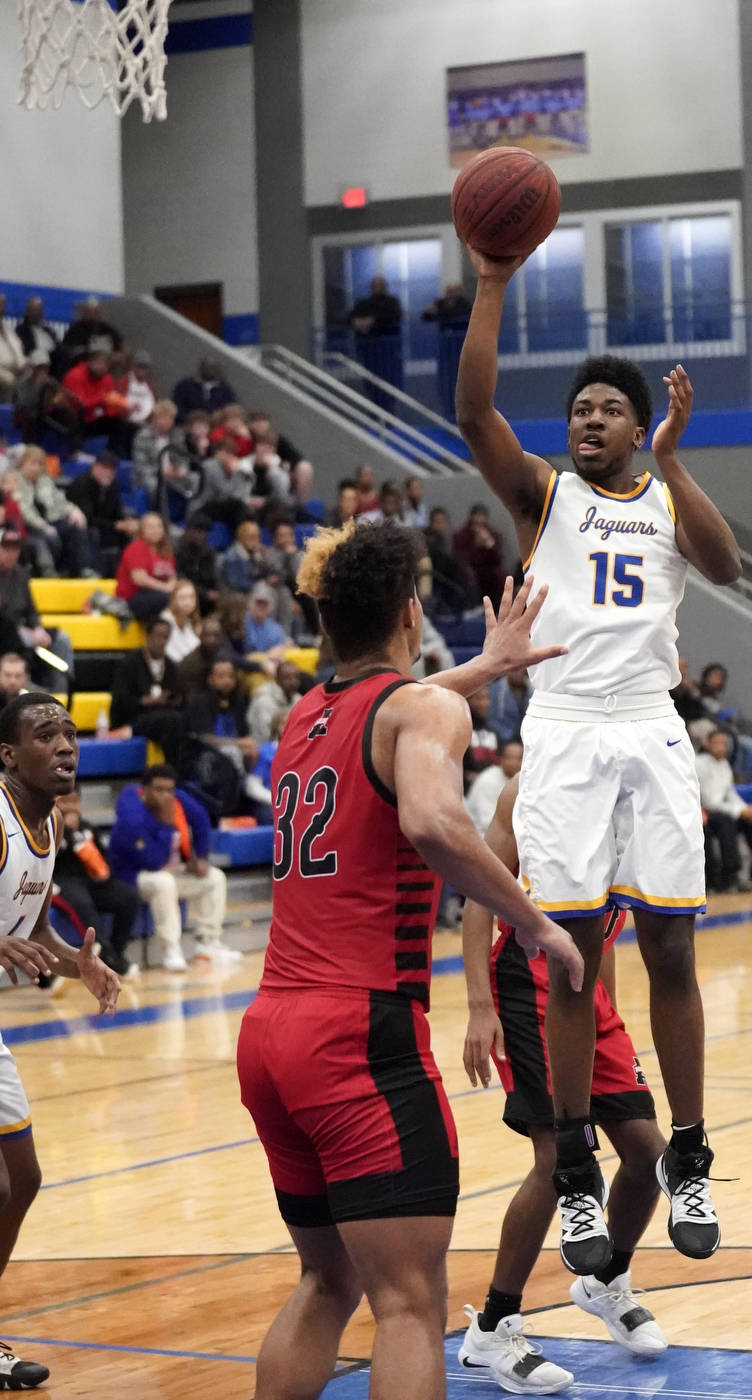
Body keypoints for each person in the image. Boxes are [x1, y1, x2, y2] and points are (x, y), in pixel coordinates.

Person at [236, 520, 581, 1400]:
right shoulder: (421, 711)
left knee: (327, 1280)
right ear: (409, 612)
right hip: (358, 1033)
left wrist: (486, 668)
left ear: (325, 625)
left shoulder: (306, 717)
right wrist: (534, 924)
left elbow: (405, 705)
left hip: (271, 1034)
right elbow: (431, 818)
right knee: (408, 1300)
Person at [457, 239, 743, 1272]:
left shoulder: (665, 496)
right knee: (571, 953)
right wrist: (490, 283)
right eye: (576, 405)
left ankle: (693, 1152)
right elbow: (473, 417)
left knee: (669, 947)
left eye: (606, 409)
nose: (586, 416)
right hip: (568, 723)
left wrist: (671, 459)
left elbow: (726, 567)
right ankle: (574, 1169)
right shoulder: (544, 498)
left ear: (637, 428)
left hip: (649, 723)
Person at [459, 776, 668, 1393]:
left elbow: (612, 927)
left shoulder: (638, 789)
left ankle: (606, 1281)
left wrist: (613, 1014)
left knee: (649, 1153)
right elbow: (477, 898)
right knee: (559, 1161)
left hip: (589, 990)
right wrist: (477, 1004)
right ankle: (492, 1329)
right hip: (525, 984)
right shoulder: (526, 790)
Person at [0, 691, 120, 1387]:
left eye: (70, 732)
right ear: (9, 755)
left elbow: (33, 931)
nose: (66, 743)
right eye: (46, 734)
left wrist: (78, 962)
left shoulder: (43, 825)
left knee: (25, 1180)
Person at [108, 764, 237, 970]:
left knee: (214, 878)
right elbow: (153, 862)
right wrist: (167, 825)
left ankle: (207, 943)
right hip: (133, 878)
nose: (166, 796)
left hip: (166, 871)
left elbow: (202, 817)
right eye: (159, 790)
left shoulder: (175, 800)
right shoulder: (131, 815)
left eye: (170, 790)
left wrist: (200, 857)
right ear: (145, 790)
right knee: (164, 882)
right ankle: (171, 948)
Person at [52, 788, 140, 979]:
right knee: (82, 903)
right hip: (60, 882)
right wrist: (66, 831)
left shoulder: (88, 828)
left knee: (128, 896)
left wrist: (103, 873)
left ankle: (116, 952)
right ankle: (106, 959)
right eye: (64, 802)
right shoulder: (45, 827)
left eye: (74, 802)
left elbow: (104, 859)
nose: (70, 807)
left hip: (89, 881)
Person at [696, 729, 752, 893]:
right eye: (717, 743)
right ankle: (730, 875)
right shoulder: (700, 764)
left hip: (723, 810)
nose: (721, 747)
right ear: (708, 744)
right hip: (704, 813)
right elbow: (710, 801)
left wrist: (747, 809)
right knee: (727, 822)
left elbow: (730, 793)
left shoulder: (724, 765)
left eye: (724, 743)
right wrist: (740, 811)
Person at [0, 529, 75, 689]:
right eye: (6, 548)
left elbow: (31, 609)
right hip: (6, 631)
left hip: (25, 629)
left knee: (62, 639)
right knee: (16, 635)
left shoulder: (21, 574)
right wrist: (25, 631)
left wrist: (38, 628)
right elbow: (3, 617)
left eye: (15, 549)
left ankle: (60, 695)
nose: (11, 553)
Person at [110, 616, 185, 767]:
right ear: (148, 636)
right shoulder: (129, 663)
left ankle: (171, 772)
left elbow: (178, 696)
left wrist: (171, 701)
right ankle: (175, 773)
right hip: (132, 718)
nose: (162, 641)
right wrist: (146, 701)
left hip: (161, 719)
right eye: (158, 636)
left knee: (176, 723)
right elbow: (119, 701)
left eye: (166, 637)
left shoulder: (171, 666)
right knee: (173, 722)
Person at [10, 445, 94, 577]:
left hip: (50, 521)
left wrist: (73, 510)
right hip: (28, 525)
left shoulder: (45, 481)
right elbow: (24, 511)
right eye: (33, 463)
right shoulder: (15, 480)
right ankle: (50, 573)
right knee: (51, 538)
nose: (36, 468)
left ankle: (82, 570)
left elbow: (60, 501)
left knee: (76, 526)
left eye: (40, 464)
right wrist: (45, 527)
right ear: (23, 463)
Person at [66, 449, 138, 572]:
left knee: (129, 534)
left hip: (105, 528)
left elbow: (117, 513)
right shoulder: (81, 484)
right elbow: (88, 518)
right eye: (104, 467)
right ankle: (91, 571)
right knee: (93, 533)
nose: (107, 472)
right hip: (82, 528)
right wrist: (115, 525)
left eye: (111, 469)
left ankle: (128, 570)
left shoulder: (113, 486)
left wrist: (126, 523)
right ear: (94, 467)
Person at [185, 658, 256, 776]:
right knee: (232, 753)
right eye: (221, 676)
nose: (227, 681)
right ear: (210, 680)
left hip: (236, 752)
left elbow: (245, 734)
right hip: (204, 756)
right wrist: (237, 743)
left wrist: (251, 747)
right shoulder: (200, 703)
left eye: (230, 676)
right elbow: (205, 738)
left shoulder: (239, 701)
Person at [177, 614, 266, 701]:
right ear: (200, 637)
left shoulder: (224, 656)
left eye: (216, 636)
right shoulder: (190, 664)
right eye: (207, 635)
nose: (211, 640)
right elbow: (191, 700)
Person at [347, 275, 404, 412]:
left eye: (380, 286)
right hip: (369, 351)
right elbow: (350, 318)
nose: (377, 288)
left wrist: (372, 321)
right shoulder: (363, 304)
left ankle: (388, 413)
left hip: (388, 352)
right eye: (374, 286)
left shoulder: (391, 302)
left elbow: (393, 316)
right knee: (370, 383)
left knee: (388, 383)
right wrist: (359, 323)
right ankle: (375, 412)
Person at [132, 400, 198, 515]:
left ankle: (191, 518)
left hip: (173, 473)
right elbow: (140, 466)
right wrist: (160, 471)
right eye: (163, 418)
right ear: (155, 419)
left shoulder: (177, 435)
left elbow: (183, 457)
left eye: (170, 418)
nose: (167, 422)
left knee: (195, 479)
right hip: (150, 475)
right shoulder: (142, 436)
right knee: (156, 485)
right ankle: (163, 520)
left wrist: (182, 468)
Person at [422, 281, 473, 418]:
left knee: (463, 378)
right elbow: (426, 317)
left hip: (460, 346)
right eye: (449, 291)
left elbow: (464, 317)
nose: (451, 293)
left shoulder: (464, 303)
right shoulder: (440, 303)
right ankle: (449, 413)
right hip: (445, 347)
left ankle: (465, 413)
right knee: (447, 381)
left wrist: (442, 315)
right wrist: (430, 310)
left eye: (454, 290)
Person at [188, 437, 261, 532]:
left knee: (247, 512)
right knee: (235, 506)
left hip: (220, 505)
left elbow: (241, 493)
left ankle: (249, 536)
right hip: (203, 506)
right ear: (218, 452)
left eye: (232, 454)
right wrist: (238, 472)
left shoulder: (229, 470)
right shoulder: (210, 465)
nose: (230, 457)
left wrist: (245, 476)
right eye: (227, 453)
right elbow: (225, 493)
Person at [116, 513, 178, 621]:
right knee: (164, 598)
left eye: (159, 526)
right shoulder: (136, 548)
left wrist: (173, 589)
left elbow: (172, 577)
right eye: (150, 527)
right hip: (132, 599)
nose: (155, 530)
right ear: (142, 530)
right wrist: (166, 589)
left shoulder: (166, 551)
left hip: (160, 595)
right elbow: (140, 579)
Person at [465, 737, 523, 836]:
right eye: (509, 758)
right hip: (478, 834)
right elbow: (487, 822)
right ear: (500, 759)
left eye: (519, 759)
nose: (514, 763)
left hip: (506, 833)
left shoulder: (522, 780)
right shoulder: (488, 780)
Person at [454, 504, 506, 611]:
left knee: (501, 576)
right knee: (469, 577)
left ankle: (498, 609)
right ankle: (475, 608)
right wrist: (476, 546)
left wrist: (489, 545)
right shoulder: (462, 536)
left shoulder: (493, 535)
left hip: (488, 570)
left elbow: (497, 559)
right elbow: (462, 558)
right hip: (471, 570)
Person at [425, 506, 476, 613]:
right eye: (436, 522)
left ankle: (469, 608)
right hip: (436, 575)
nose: (440, 525)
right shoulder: (430, 539)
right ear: (430, 523)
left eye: (442, 522)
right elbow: (440, 560)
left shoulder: (448, 539)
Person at [247, 660, 301, 746]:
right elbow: (265, 735)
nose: (293, 682)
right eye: (288, 678)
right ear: (277, 679)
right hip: (263, 748)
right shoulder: (264, 701)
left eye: (296, 677)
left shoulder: (298, 698)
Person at [174, 514, 219, 616]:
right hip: (183, 591)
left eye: (204, 532)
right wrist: (204, 593)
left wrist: (216, 591)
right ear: (188, 530)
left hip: (204, 594)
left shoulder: (208, 552)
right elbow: (179, 578)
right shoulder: (177, 550)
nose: (201, 535)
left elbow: (212, 577)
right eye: (197, 531)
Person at [222, 520, 272, 594]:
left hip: (255, 590)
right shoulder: (233, 556)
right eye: (251, 537)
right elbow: (236, 583)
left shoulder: (255, 552)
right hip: (237, 594)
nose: (255, 540)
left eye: (257, 537)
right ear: (241, 537)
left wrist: (263, 558)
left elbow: (265, 574)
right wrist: (262, 584)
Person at [161, 580, 201, 664]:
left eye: (192, 597)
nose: (188, 602)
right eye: (182, 598)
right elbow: (170, 654)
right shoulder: (165, 622)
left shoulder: (190, 622)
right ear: (173, 600)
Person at [487, 668, 530, 743]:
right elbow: (492, 721)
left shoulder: (533, 692)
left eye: (521, 670)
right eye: (515, 670)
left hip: (527, 738)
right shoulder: (494, 691)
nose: (518, 673)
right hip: (501, 738)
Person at [245, 583, 287, 659]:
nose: (261, 606)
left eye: (265, 604)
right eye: (258, 603)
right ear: (250, 603)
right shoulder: (240, 622)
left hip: (269, 667)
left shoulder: (276, 629)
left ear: (271, 606)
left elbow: (277, 651)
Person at [14, 296, 59, 362]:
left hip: (53, 360)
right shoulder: (21, 331)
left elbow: (58, 346)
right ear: (27, 311)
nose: (36, 314)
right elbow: (27, 351)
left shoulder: (48, 330)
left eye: (39, 311)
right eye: (33, 311)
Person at [0, 295, 26, 401]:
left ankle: (30, 415)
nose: (1, 308)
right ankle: (8, 414)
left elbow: (18, 350)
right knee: (9, 381)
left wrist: (24, 365)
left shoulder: (8, 330)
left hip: (18, 369)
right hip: (3, 369)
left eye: (3, 305)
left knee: (38, 379)